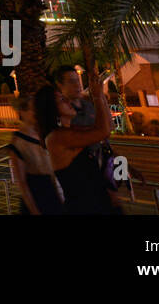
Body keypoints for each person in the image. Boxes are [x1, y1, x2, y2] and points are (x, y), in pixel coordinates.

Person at [35, 73, 115, 214]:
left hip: (95, 203)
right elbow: (103, 131)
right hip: (84, 207)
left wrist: (101, 96)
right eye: (61, 100)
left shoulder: (69, 131)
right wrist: (96, 97)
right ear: (52, 109)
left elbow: (107, 127)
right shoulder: (58, 137)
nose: (67, 101)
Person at [7, 93, 62, 215]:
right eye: (33, 109)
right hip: (36, 194)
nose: (37, 113)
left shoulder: (44, 135)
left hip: (51, 192)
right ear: (22, 112)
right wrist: (34, 211)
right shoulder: (18, 142)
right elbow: (22, 183)